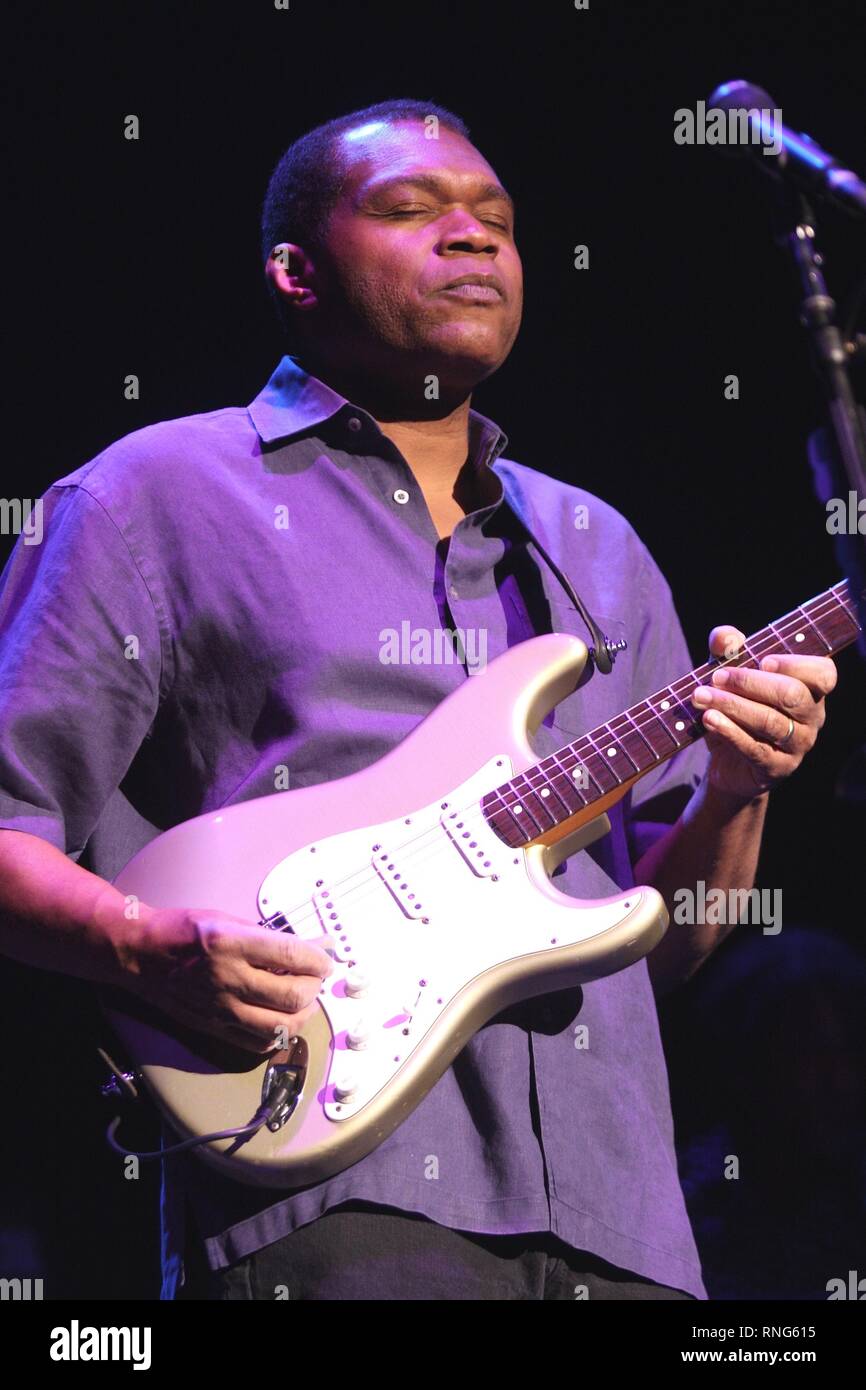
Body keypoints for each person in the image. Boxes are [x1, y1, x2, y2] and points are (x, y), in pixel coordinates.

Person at [0, 99, 837, 1301]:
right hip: (332, 1199)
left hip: (624, 1222)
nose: (472, 238)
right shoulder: (156, 494)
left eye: (495, 220)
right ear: (295, 271)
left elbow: (665, 943)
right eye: (409, 209)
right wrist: (150, 949)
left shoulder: (594, 546)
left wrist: (739, 787)